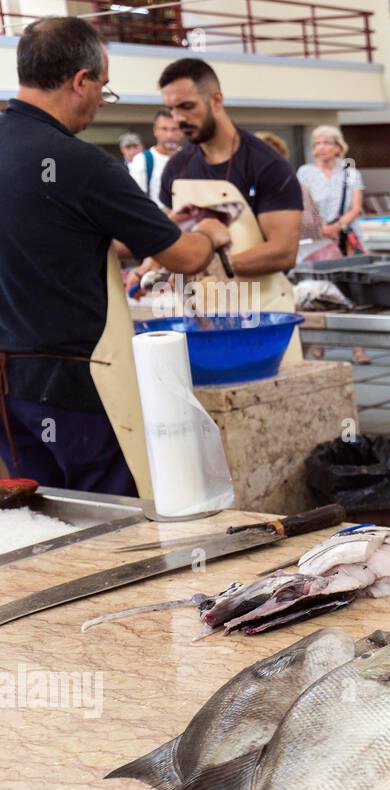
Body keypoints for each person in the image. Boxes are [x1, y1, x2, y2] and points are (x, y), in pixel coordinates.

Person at [0, 18, 230, 495]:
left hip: (8, 389)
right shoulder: (83, 164)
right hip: (76, 385)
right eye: (104, 87)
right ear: (80, 80)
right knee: (114, 524)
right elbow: (186, 258)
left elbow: (50, 236)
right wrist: (209, 230)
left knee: (41, 522)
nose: (102, 99)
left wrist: (152, 220)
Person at [127, 58, 304, 318]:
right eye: (172, 109)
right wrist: (149, 266)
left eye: (187, 106)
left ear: (217, 100)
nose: (179, 119)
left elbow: (283, 252)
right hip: (198, 315)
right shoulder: (177, 168)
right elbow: (171, 233)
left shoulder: (267, 165)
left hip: (263, 315)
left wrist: (206, 265)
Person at [297, 125, 370, 364]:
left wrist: (336, 227)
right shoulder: (305, 172)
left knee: (350, 292)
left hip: (345, 237)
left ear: (339, 146)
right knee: (318, 291)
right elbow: (303, 206)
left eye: (327, 142)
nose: (321, 148)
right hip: (316, 241)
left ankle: (358, 346)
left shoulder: (349, 169)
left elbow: (356, 207)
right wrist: (321, 230)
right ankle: (318, 344)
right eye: (317, 143)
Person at [127, 107, 183, 207]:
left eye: (174, 129)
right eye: (164, 129)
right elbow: (136, 202)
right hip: (157, 220)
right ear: (155, 131)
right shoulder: (142, 160)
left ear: (182, 131)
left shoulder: (192, 159)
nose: (169, 135)